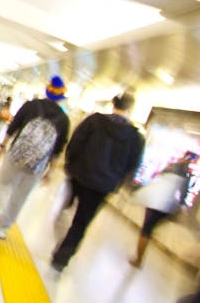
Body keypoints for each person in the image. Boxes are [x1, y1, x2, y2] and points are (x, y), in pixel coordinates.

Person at [51, 92, 145, 272]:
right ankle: (61, 259)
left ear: (113, 104)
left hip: (79, 175)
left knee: (66, 207)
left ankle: (61, 228)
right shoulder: (135, 137)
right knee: (81, 223)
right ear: (131, 109)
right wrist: (116, 182)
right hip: (102, 186)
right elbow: (133, 165)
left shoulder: (94, 121)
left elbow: (75, 143)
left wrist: (71, 164)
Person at [0, 77, 70, 240]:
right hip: (37, 166)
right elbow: (58, 149)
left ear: (47, 91)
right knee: (20, 196)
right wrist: (51, 171)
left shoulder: (31, 105)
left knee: (2, 184)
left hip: (16, 156)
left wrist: (3, 146)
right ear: (61, 97)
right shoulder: (64, 120)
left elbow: (14, 125)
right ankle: (3, 228)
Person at [129, 151, 199, 268]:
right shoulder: (186, 175)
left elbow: (156, 177)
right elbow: (182, 196)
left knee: (146, 229)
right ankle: (140, 256)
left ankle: (139, 258)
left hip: (155, 201)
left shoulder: (170, 166)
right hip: (168, 206)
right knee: (149, 229)